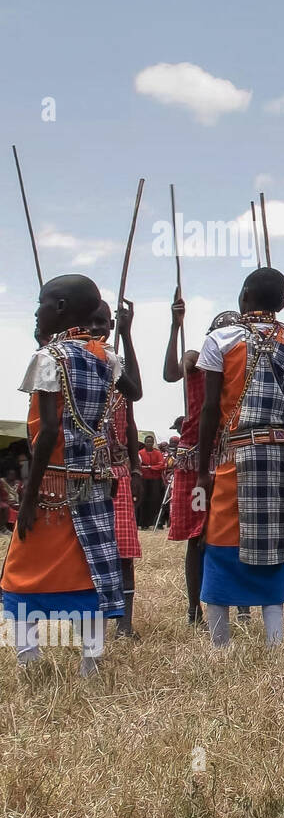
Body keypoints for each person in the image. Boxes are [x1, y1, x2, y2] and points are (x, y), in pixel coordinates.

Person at [2, 275, 126, 675]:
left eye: (41, 303)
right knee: (85, 572)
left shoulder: (49, 358)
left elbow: (49, 431)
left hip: (52, 487)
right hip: (90, 482)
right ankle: (90, 663)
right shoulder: (106, 358)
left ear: (58, 308)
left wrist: (27, 498)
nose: (36, 310)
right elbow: (129, 394)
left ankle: (29, 660)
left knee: (21, 575)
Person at [195, 268, 284, 649]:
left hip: (238, 453)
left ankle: (221, 645)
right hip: (281, 453)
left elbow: (209, 408)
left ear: (243, 295)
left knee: (222, 537)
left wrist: (202, 469)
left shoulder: (220, 339)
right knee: (274, 541)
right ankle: (274, 642)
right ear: (281, 304)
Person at [164, 298, 239, 626]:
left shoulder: (242, 364)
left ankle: (236, 602)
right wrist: (175, 327)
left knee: (231, 533)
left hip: (228, 457)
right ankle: (194, 608)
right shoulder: (197, 360)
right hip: (195, 463)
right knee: (198, 536)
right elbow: (170, 374)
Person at [88, 300, 144, 639]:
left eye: (102, 324)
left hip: (119, 469)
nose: (96, 329)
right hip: (87, 471)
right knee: (89, 551)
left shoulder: (115, 363)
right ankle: (90, 622)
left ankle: (124, 623)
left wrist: (127, 334)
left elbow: (133, 404)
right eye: (90, 322)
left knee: (123, 552)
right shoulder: (74, 361)